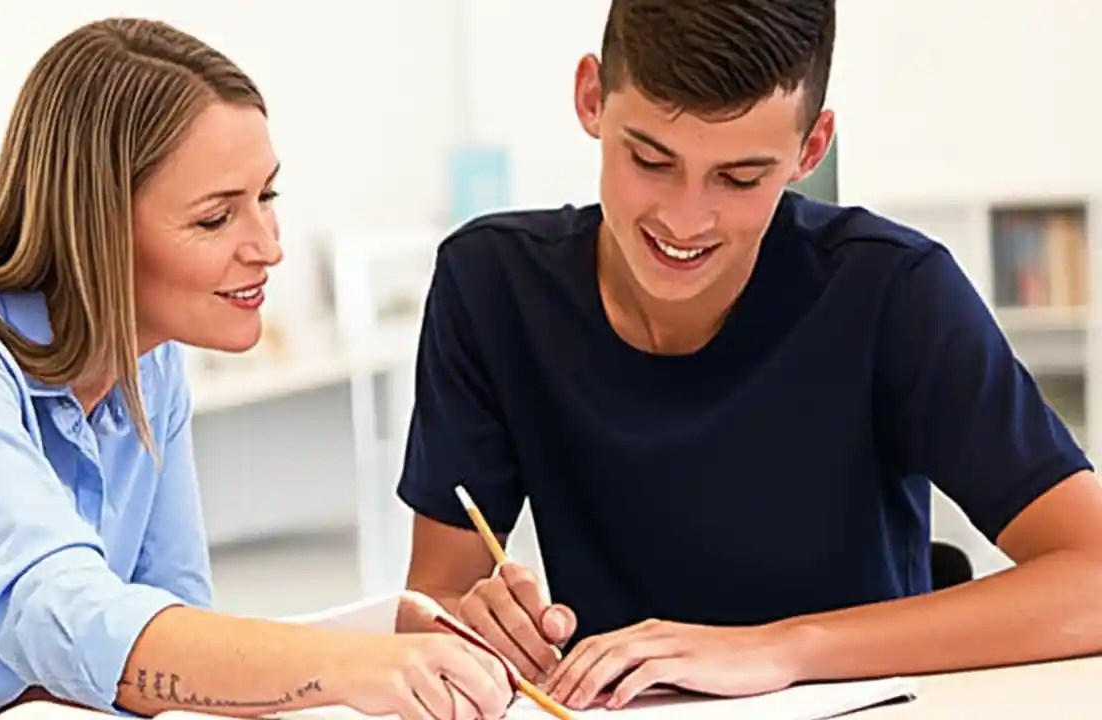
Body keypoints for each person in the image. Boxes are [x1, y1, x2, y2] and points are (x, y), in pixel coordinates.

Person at [397, 0, 1102, 711]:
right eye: (650, 159)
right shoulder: (490, 286)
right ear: (591, 99)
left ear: (811, 147)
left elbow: (1095, 575)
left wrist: (779, 650)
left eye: (739, 178)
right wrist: (471, 624)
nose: (684, 219)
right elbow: (432, 604)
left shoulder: (891, 292)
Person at [0, 18, 514, 720]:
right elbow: (62, 615)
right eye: (216, 219)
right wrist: (345, 666)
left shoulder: (149, 365)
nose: (268, 247)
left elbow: (169, 630)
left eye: (266, 198)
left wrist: (390, 638)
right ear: (96, 226)